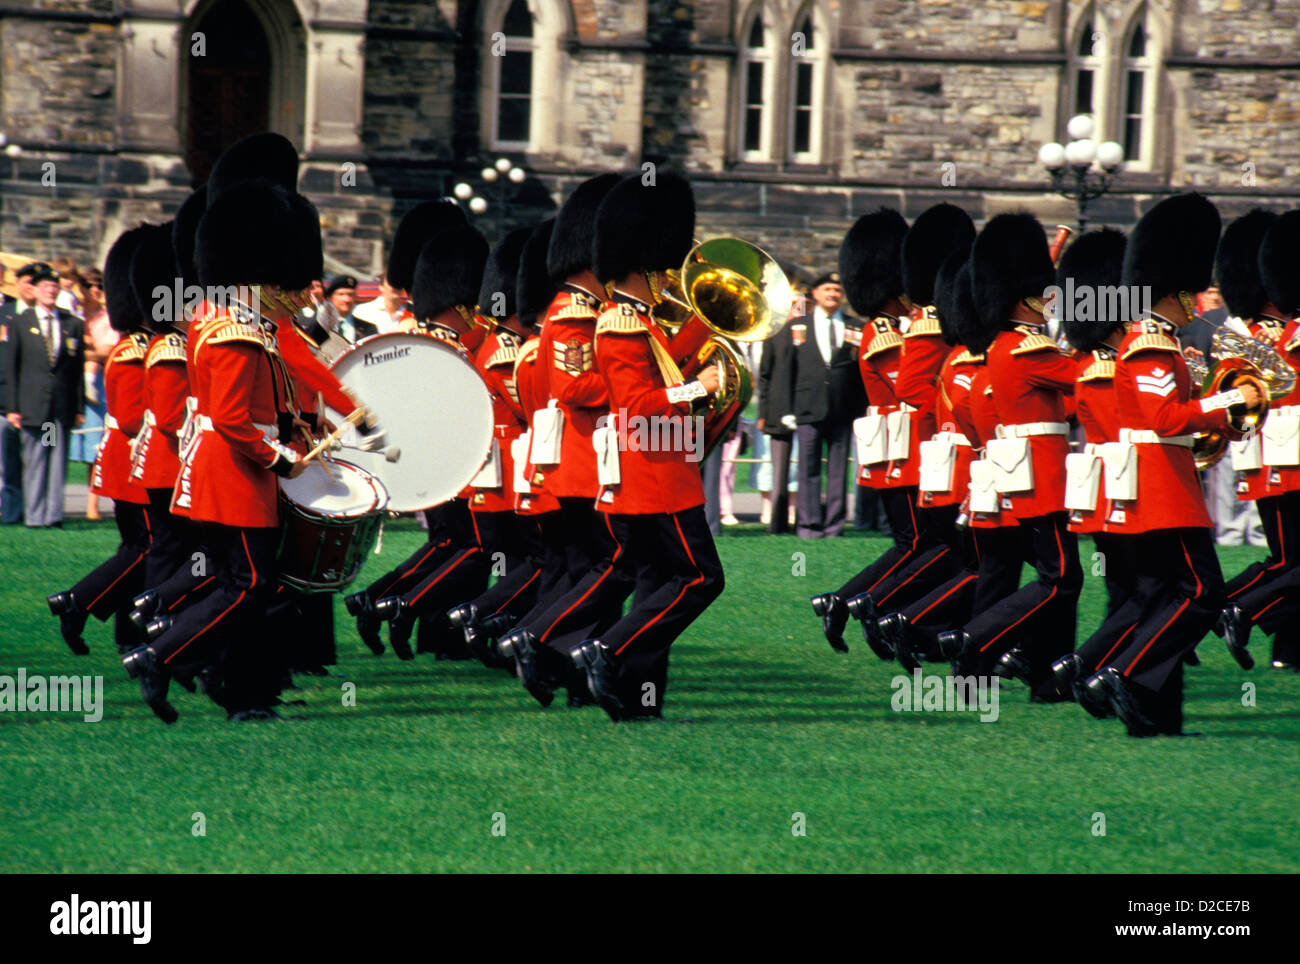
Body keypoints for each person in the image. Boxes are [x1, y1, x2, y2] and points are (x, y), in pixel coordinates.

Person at [1080, 193, 1258, 736]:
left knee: (1162, 598)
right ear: (1175, 292)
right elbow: (1164, 417)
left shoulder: (1160, 342)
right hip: (1162, 489)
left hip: (1161, 480)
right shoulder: (1152, 345)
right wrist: (1226, 402)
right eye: (1195, 294)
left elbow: (1180, 418)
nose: (1200, 303)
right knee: (1203, 594)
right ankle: (1126, 674)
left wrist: (1227, 420)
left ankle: (1156, 719)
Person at [937, 213, 1082, 699]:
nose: (1051, 302)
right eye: (1043, 295)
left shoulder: (1004, 347)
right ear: (1024, 298)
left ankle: (1033, 676)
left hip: (1018, 472)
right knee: (1060, 578)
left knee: (1012, 576)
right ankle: (977, 641)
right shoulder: (1028, 349)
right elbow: (1085, 385)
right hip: (1043, 478)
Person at [46, 226, 155, 656]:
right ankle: (79, 600)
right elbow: (130, 418)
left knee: (139, 548)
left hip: (133, 465)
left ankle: (125, 628)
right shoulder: (133, 352)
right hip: (133, 465)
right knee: (150, 547)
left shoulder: (145, 345)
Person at [1216, 209, 1300, 671]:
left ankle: (1288, 650)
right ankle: (1231, 607)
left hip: (1273, 454)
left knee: (1287, 560)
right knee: (1290, 562)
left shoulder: (1255, 335)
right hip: (1286, 456)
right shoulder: (1264, 335)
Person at [778, 269, 866, 539]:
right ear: (815, 294)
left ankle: (834, 526)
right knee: (808, 469)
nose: (833, 294)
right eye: (827, 289)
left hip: (843, 409)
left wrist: (861, 410)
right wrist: (786, 409)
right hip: (807, 406)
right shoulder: (797, 326)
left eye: (837, 291)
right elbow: (786, 370)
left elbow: (861, 373)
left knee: (839, 470)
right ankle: (809, 525)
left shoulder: (856, 327)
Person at [4, 262, 85, 528]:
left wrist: (79, 407)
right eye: (46, 287)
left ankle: (53, 515)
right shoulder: (21, 322)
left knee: (56, 460)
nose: (51, 291)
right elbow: (12, 367)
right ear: (35, 290)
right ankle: (35, 515)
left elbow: (76, 370)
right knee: (35, 461)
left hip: (58, 409)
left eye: (54, 287)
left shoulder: (70, 323)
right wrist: (13, 406)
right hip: (32, 406)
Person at [0, 263, 39, 524]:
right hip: (6, 399)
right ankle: (11, 509)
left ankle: (35, 511)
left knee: (38, 455)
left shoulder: (15, 310)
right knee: (6, 461)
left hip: (34, 401)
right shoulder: (8, 312)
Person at [78, 268, 115, 520]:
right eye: (88, 285)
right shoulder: (75, 314)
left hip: (100, 383)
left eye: (99, 285)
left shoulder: (107, 317)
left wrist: (81, 354)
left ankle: (93, 505)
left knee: (98, 449)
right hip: (76, 383)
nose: (95, 290)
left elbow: (106, 350)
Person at [324, 274, 376, 343]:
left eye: (351, 295)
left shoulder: (368, 329)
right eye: (341, 294)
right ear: (330, 298)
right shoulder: (320, 326)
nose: (347, 300)